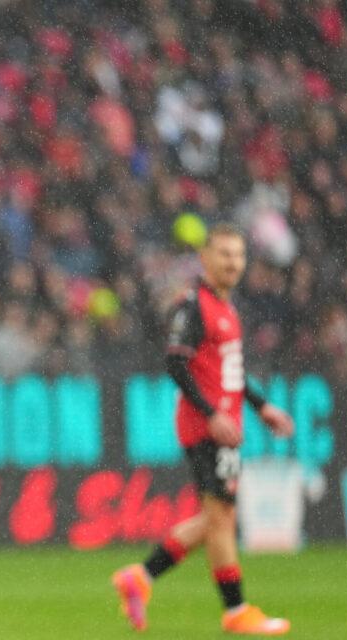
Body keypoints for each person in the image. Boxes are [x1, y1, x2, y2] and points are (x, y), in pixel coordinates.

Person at [112, 225, 295, 636]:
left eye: (239, 255)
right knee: (221, 519)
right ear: (205, 258)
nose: (233, 262)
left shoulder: (227, 309)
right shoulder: (194, 306)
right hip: (207, 428)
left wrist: (261, 406)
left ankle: (140, 577)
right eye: (224, 254)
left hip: (225, 425)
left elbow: (231, 372)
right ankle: (236, 611)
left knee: (216, 518)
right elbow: (175, 362)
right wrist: (211, 414)